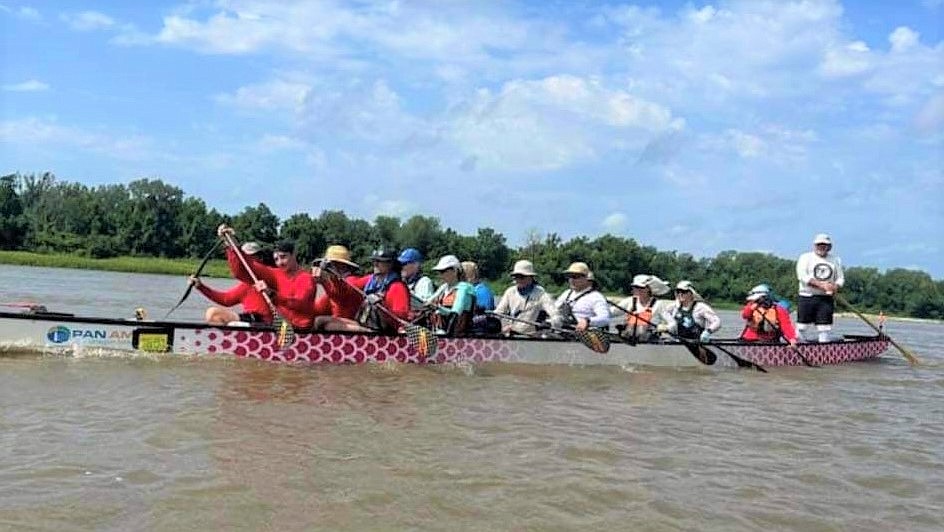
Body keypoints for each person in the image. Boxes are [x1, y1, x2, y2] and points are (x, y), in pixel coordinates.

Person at [219, 225, 318, 330]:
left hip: (300, 330)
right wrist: (231, 245)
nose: (280, 263)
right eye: (276, 259)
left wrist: (272, 294)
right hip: (279, 327)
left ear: (294, 254)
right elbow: (243, 270)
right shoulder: (274, 273)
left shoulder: (306, 278)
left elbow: (300, 304)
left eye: (283, 257)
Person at [316, 248, 410, 334]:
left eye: (380, 261)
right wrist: (332, 278)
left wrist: (382, 306)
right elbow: (344, 292)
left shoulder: (397, 287)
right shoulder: (371, 280)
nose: (375, 264)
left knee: (329, 326)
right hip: (366, 324)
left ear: (390, 264)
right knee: (319, 321)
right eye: (374, 260)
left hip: (380, 332)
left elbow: (400, 318)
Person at [190, 242, 274, 325]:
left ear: (260, 258)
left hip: (265, 322)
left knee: (214, 313)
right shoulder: (245, 285)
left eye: (249, 257)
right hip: (252, 320)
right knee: (213, 314)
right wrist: (200, 287)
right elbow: (226, 300)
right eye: (242, 257)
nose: (244, 261)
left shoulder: (270, 274)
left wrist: (231, 247)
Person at [796, 233, 845, 342]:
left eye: (825, 245)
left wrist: (835, 286)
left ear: (829, 247)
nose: (822, 247)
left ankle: (824, 346)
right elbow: (803, 277)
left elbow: (840, 278)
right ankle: (799, 345)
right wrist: (822, 285)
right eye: (819, 244)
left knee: (824, 327)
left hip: (825, 298)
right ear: (815, 245)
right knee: (802, 326)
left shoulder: (835, 260)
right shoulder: (805, 257)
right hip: (807, 296)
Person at [493, 259, 558, 335]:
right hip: (511, 335)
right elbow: (498, 313)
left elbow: (556, 315)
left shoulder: (541, 294)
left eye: (522, 277)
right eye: (516, 276)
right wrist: (494, 326)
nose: (518, 279)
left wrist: (549, 323)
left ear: (531, 277)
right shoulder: (510, 292)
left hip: (531, 338)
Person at [311, 245, 364, 324]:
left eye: (327, 266)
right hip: (341, 325)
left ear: (342, 266)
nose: (324, 269)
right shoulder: (331, 288)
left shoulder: (352, 281)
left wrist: (324, 282)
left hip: (353, 326)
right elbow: (316, 309)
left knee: (320, 321)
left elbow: (339, 294)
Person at [552, 262, 610, 331]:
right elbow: (554, 310)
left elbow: (605, 319)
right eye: (569, 276)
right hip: (563, 331)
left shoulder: (596, 297)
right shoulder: (566, 293)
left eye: (575, 277)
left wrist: (588, 321)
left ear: (587, 278)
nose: (571, 280)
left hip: (583, 335)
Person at [657, 280, 722, 342]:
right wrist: (665, 327)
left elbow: (717, 321)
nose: (680, 294)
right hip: (677, 344)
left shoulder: (700, 307)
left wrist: (708, 332)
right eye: (678, 291)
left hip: (696, 344)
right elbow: (664, 316)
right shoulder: (673, 307)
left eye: (683, 292)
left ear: (691, 293)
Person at [615, 274, 672, 341]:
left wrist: (666, 327)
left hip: (650, 345)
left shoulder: (658, 305)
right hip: (628, 342)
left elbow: (673, 324)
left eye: (640, 287)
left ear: (648, 289)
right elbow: (610, 312)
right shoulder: (629, 301)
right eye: (635, 287)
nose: (637, 290)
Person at [427, 254, 475, 335]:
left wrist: (437, 307)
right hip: (439, 333)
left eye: (443, 271)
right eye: (439, 272)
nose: (440, 275)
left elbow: (455, 313)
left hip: (457, 337)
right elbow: (427, 302)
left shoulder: (464, 288)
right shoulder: (443, 288)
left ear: (455, 271)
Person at [398, 248, 435, 313]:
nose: (401, 267)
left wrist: (405, 291)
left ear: (416, 265)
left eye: (404, 264)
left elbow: (425, 306)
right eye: (400, 264)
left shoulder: (424, 282)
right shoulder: (403, 282)